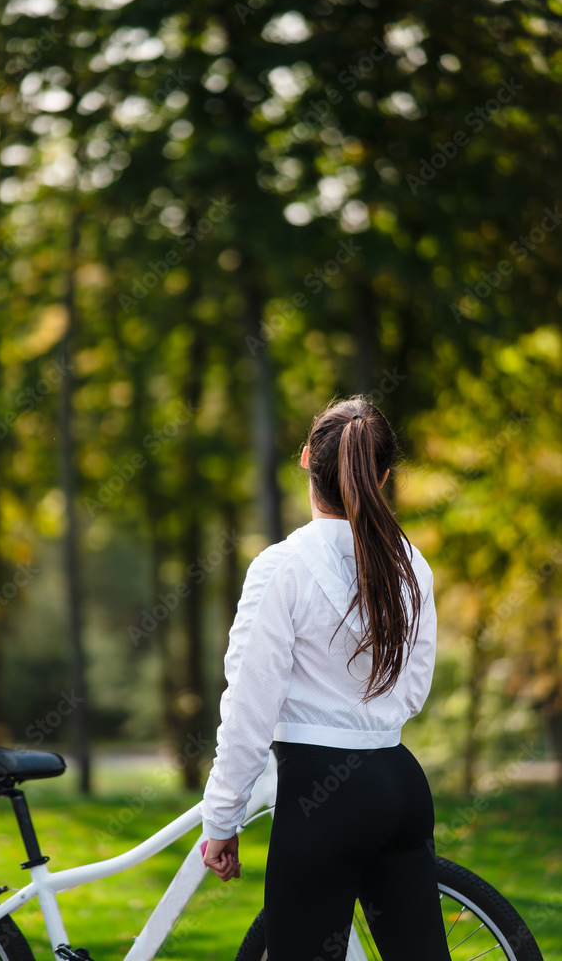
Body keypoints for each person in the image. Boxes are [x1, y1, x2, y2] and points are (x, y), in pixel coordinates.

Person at [200, 395, 453, 961]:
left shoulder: (281, 567)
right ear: (383, 477)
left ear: (307, 458)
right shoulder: (411, 564)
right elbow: (412, 691)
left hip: (322, 797)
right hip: (400, 784)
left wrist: (222, 817)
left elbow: (248, 706)